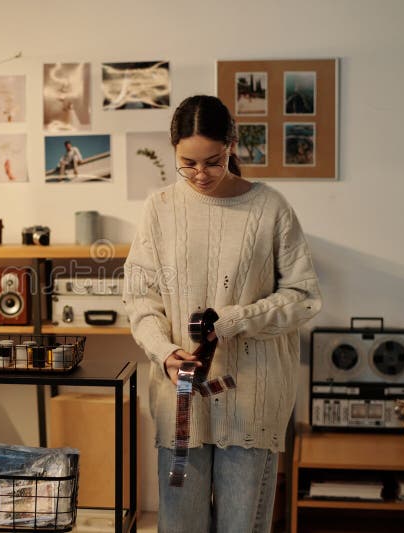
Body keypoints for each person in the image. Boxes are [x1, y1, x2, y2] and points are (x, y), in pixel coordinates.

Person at [123, 95, 322, 533]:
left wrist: (233, 320)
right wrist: (167, 352)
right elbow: (140, 297)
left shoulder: (270, 208)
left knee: (242, 526)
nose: (199, 175)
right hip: (182, 401)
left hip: (253, 398)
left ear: (232, 145)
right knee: (179, 526)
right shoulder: (159, 208)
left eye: (212, 162)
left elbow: (304, 296)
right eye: (187, 163)